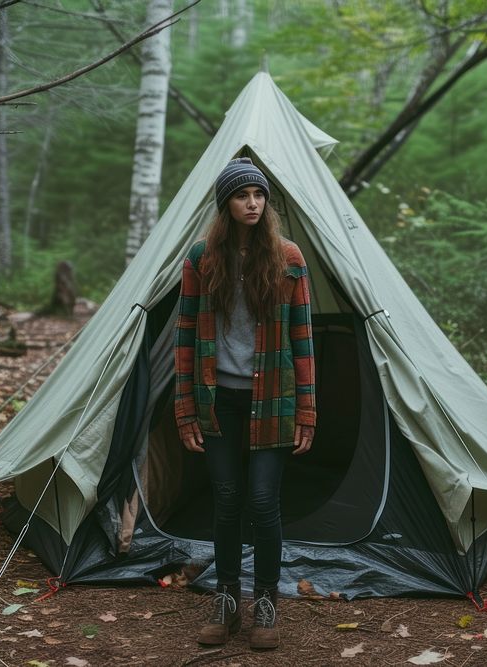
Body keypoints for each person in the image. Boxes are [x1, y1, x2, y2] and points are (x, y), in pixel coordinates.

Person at [173, 157, 316, 650]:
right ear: (226, 205)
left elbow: (303, 340)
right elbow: (186, 336)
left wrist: (307, 408)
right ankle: (227, 598)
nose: (252, 203)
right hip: (218, 400)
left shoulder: (289, 257)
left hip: (272, 398)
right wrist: (185, 408)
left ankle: (267, 602)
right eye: (242, 195)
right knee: (228, 498)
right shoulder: (201, 259)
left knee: (262, 500)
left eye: (258, 195)